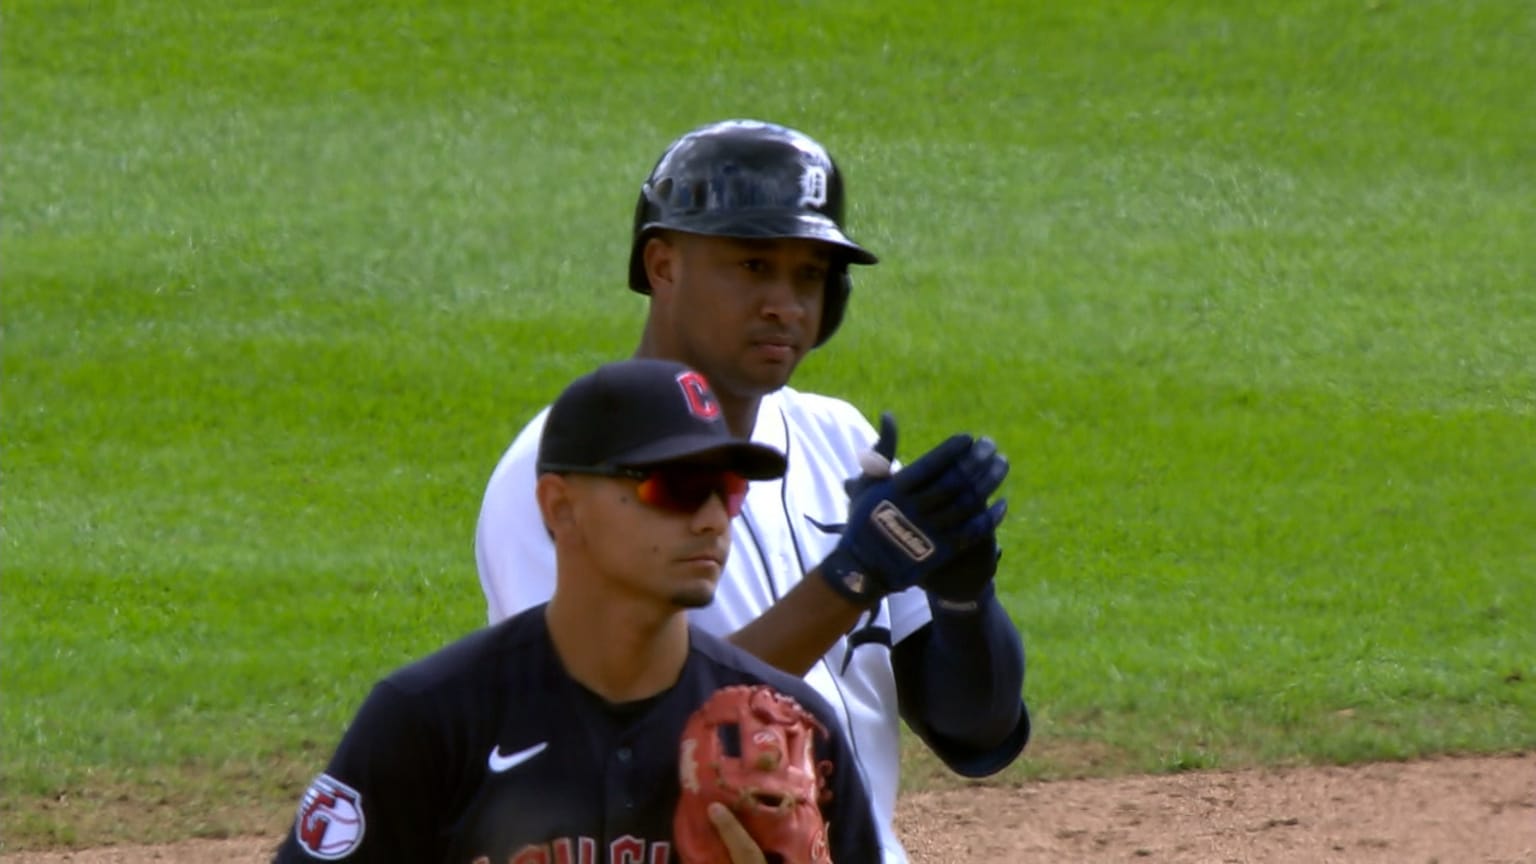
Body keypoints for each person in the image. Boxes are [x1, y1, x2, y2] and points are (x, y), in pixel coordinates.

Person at [476, 120, 1030, 863]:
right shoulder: (565, 477)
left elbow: (977, 734)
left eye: (809, 276)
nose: (785, 303)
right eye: (753, 264)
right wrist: (853, 577)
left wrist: (965, 598)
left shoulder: (840, 440)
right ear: (663, 265)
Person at [275, 359, 882, 863]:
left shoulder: (796, 735)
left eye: (727, 490)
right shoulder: (431, 721)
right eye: (673, 487)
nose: (710, 518)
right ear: (560, 508)